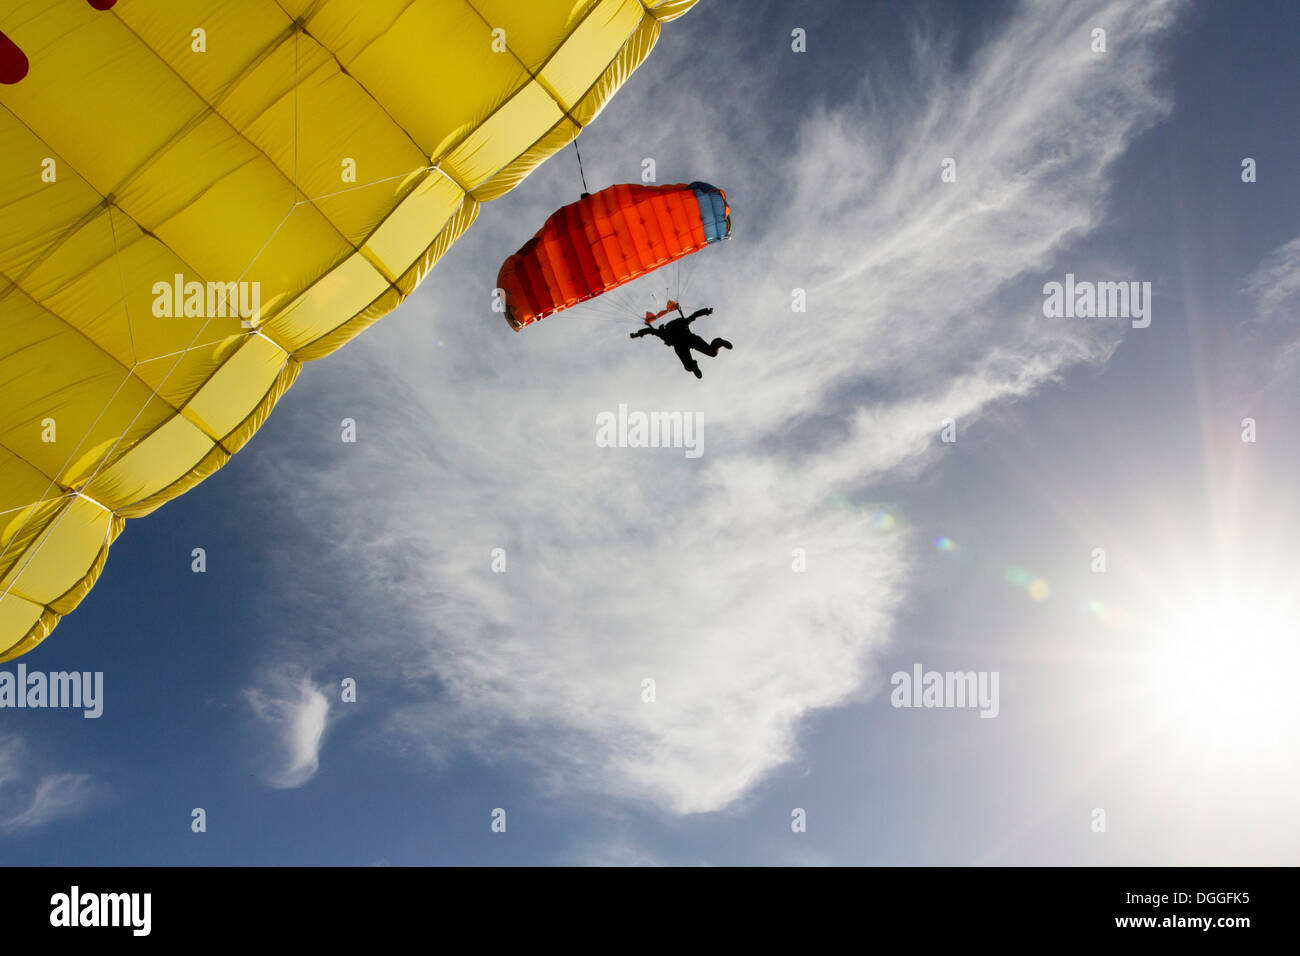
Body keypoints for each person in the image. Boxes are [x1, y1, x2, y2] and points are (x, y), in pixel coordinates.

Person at [630, 305, 732, 378]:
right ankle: (718, 342)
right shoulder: (680, 324)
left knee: (688, 365)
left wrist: (637, 334)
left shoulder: (664, 333)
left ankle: (693, 366)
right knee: (712, 352)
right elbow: (693, 316)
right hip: (690, 339)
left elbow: (650, 331)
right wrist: (706, 312)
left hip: (680, 346)